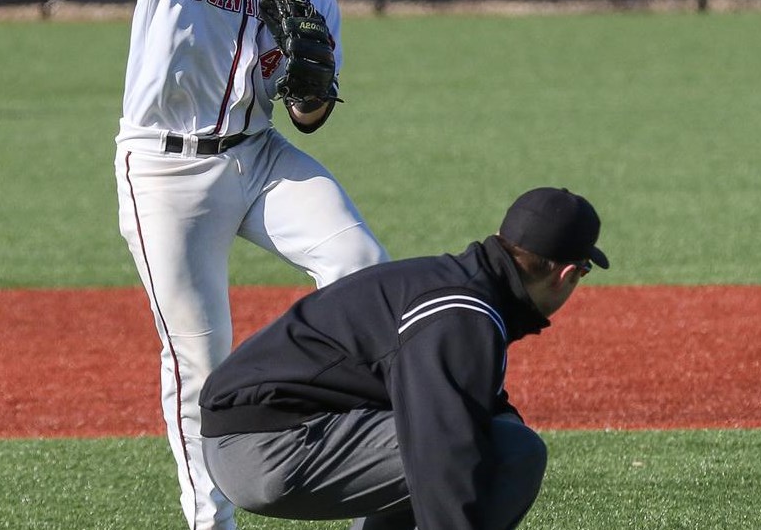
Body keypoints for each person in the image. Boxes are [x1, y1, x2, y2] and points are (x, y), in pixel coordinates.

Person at [0, 0, 390, 530]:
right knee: (199, 361)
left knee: (363, 266)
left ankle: (347, 443)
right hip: (164, 171)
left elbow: (309, 118)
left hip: (257, 154)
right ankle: (212, 521)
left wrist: (309, 85)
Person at [199, 187, 609, 529]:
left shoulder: (457, 288)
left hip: (260, 435)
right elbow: (442, 452)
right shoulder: (462, 312)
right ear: (566, 274)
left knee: (487, 428)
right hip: (266, 446)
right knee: (510, 451)